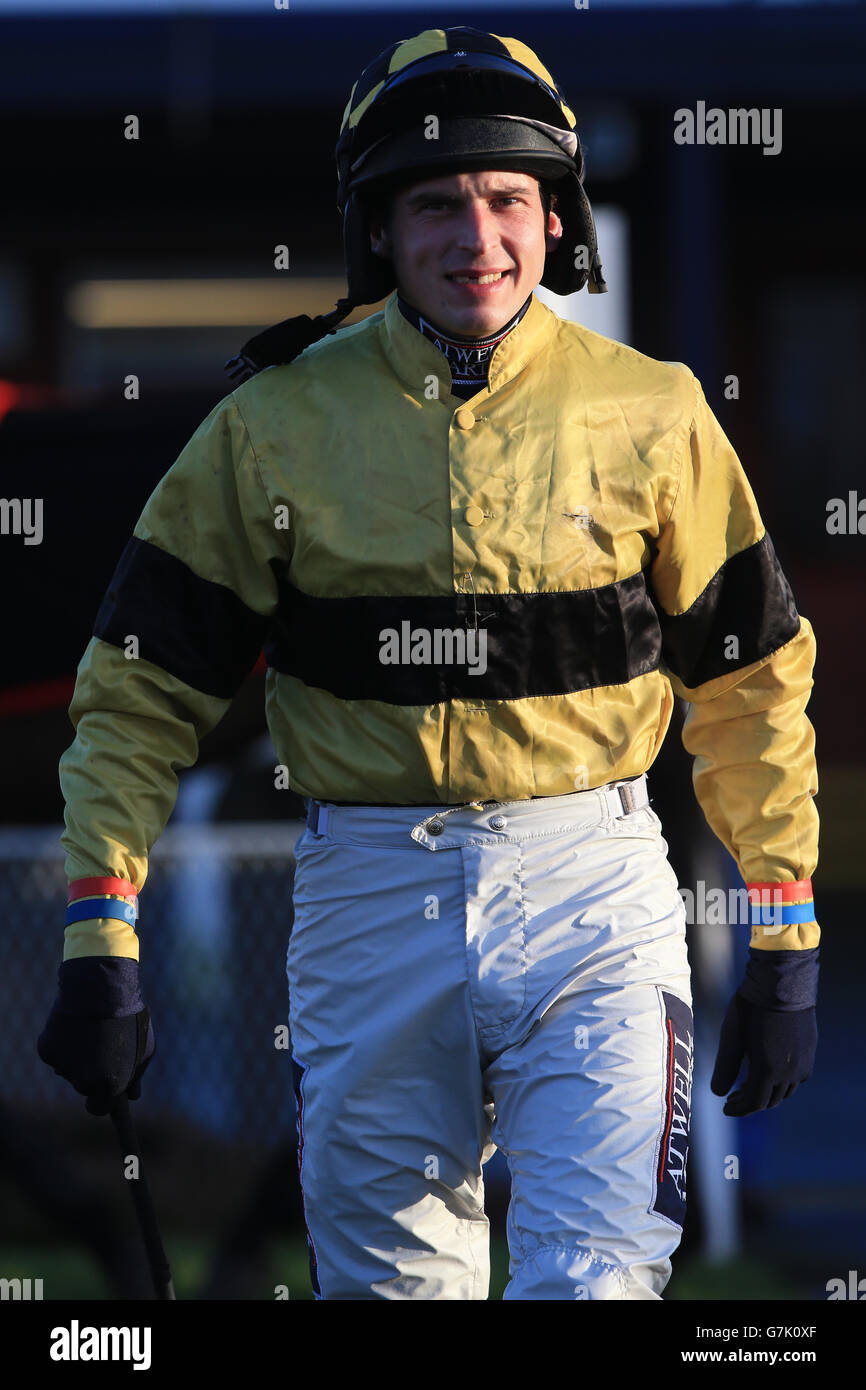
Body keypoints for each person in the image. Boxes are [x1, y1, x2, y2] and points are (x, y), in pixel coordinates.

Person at [38, 26, 819, 1301]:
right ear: (378, 233)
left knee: (598, 1280)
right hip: (365, 898)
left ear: (553, 220)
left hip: (595, 896)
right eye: (435, 204)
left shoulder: (657, 409)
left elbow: (748, 678)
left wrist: (780, 927)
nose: (477, 237)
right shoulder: (268, 424)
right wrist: (99, 934)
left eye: (509, 199)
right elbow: (137, 694)